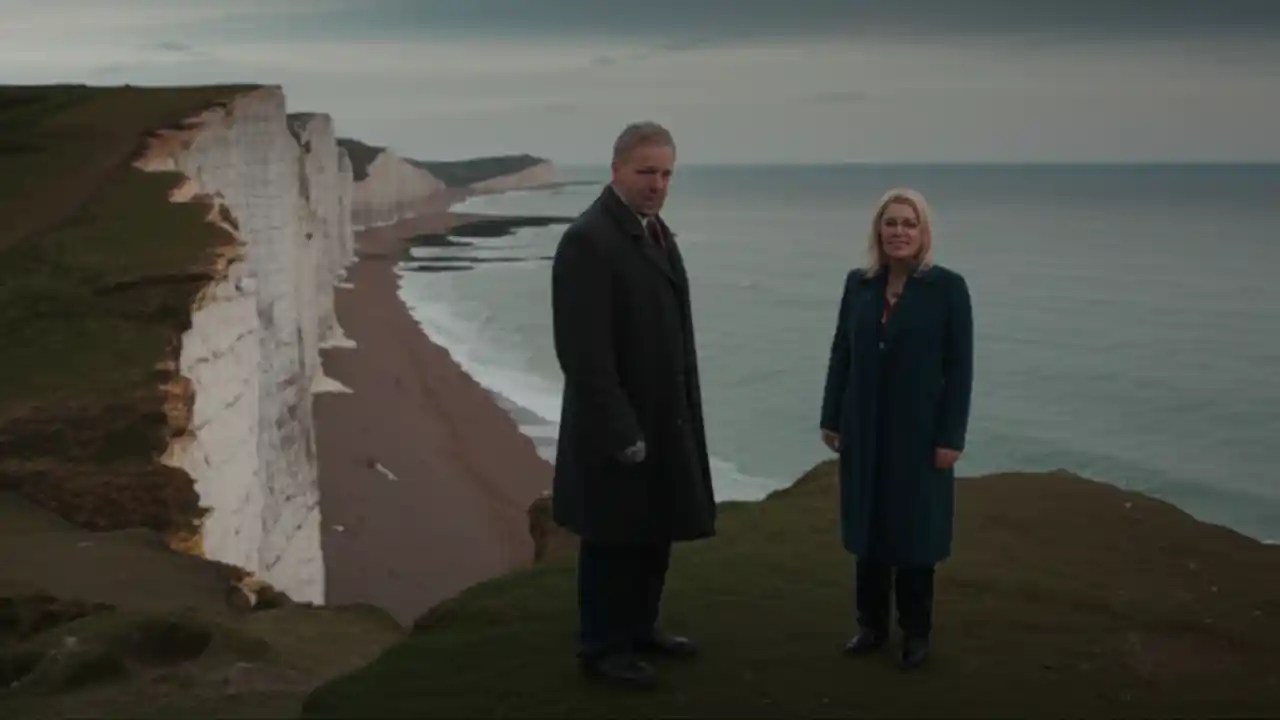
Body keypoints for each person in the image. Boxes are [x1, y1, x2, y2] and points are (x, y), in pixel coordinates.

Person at [549, 121, 716, 689]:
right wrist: (621, 429)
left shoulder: (655, 231)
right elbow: (582, 352)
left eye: (666, 173)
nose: (657, 183)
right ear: (617, 168)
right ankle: (601, 648)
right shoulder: (588, 239)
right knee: (612, 540)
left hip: (663, 412)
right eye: (646, 171)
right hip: (614, 424)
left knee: (653, 531)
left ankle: (641, 629)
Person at [819, 187, 973, 670]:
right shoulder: (858, 284)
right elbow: (841, 351)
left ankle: (916, 632)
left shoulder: (948, 288)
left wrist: (951, 437)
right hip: (863, 427)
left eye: (909, 223)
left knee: (914, 535)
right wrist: (831, 416)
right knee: (868, 529)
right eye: (892, 223)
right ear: (878, 231)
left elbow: (960, 367)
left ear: (923, 232)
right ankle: (870, 626)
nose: (899, 232)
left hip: (920, 433)